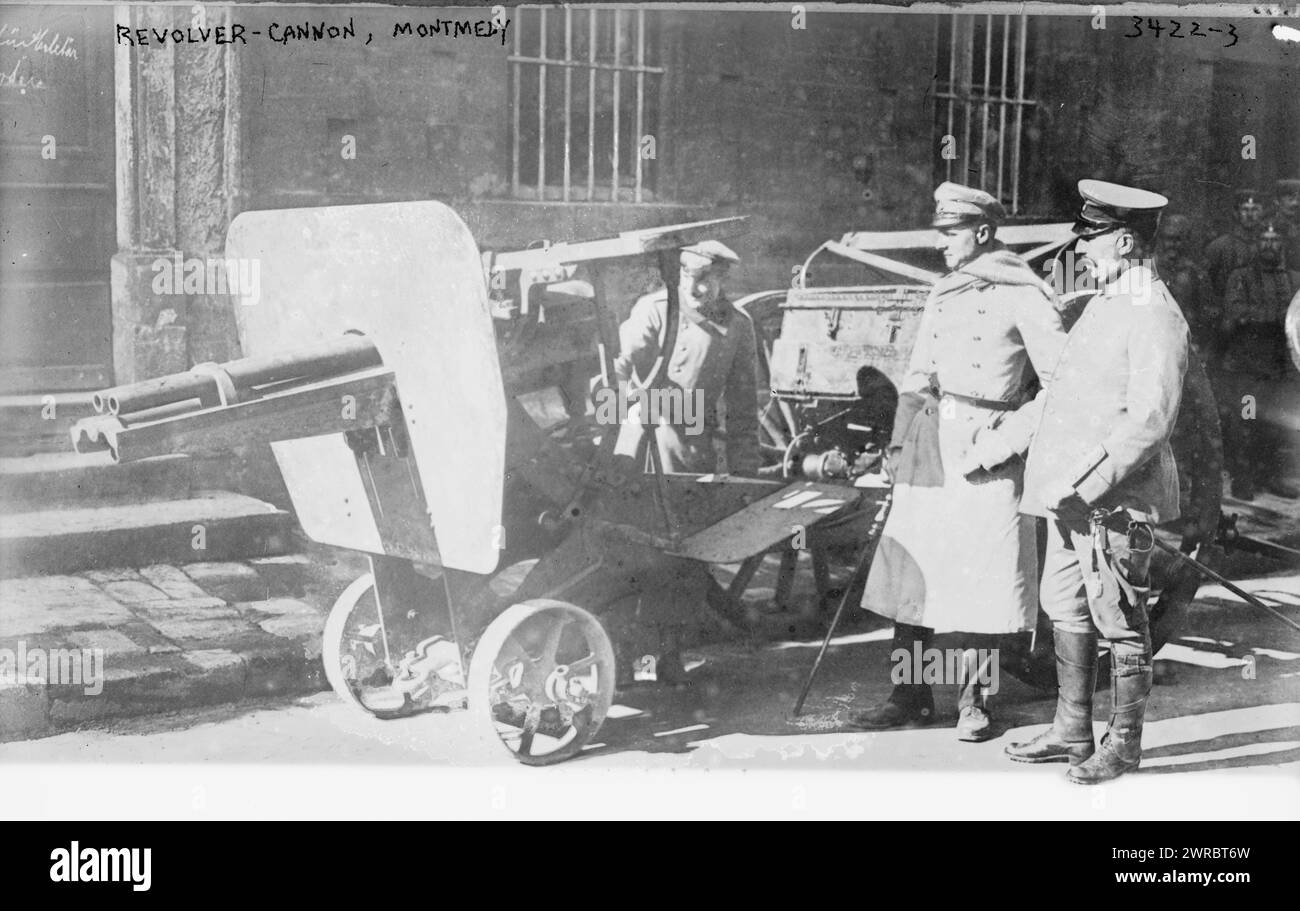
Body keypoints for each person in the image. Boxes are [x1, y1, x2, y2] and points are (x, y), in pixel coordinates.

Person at [853, 181, 1069, 742]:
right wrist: (901, 449)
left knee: (984, 584)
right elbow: (919, 377)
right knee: (912, 575)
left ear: (981, 232)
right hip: (935, 446)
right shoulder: (944, 292)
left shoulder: (1026, 293)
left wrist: (1006, 441)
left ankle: (975, 702)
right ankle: (910, 696)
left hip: (990, 451)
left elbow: (1061, 385)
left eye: (949, 234)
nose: (940, 243)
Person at [1008, 179, 1189, 785]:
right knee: (1066, 605)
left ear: (1129, 241)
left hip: (1113, 501)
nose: (1082, 251)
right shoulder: (1108, 301)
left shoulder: (1156, 314)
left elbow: (1150, 420)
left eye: (1094, 239)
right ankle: (1071, 726)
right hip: (1071, 497)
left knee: (1119, 615)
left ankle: (1125, 743)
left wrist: (1086, 486)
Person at [612, 241, 760, 477]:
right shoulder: (653, 310)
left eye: (703, 280)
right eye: (686, 276)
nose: (691, 289)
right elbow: (618, 370)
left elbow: (743, 406)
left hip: (693, 444)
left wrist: (745, 472)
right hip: (642, 438)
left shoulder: (737, 325)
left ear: (722, 279)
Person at [1218, 223, 1300, 499]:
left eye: (1274, 240)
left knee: (1275, 426)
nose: (1268, 245)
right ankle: (1244, 478)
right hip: (1247, 370)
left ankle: (1270, 476)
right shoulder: (1240, 277)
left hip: (1279, 369)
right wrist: (1276, 316)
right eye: (1263, 240)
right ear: (1256, 245)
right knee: (1246, 421)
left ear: (1282, 245)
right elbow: (1236, 312)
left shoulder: (1294, 280)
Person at [1155, 214, 1214, 349]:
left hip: (1185, 343)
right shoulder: (1144, 269)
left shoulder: (1196, 273)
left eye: (1179, 240)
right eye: (1169, 239)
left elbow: (1205, 314)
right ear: (1160, 239)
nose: (1173, 245)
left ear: (1187, 241)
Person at [1204, 188, 1265, 312]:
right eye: (1245, 209)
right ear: (1236, 213)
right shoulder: (1219, 246)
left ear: (1261, 213)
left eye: (1254, 210)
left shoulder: (1268, 245)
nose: (1249, 215)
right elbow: (1208, 282)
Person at [1272, 178, 1300, 272]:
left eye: (1298, 199)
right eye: (1290, 199)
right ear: (1276, 201)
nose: (1295, 204)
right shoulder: (1268, 228)